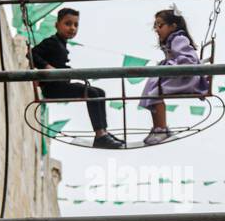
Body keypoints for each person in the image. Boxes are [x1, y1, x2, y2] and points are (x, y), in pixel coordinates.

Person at [31, 8, 125, 149]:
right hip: (53, 88)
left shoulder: (61, 43)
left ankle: (103, 132)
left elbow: (59, 64)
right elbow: (32, 54)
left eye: (76, 25)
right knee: (93, 93)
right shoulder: (52, 41)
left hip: (60, 85)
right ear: (57, 25)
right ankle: (100, 135)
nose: (72, 28)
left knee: (100, 92)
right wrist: (47, 66)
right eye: (68, 24)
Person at [139, 9, 210, 146]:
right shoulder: (171, 41)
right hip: (179, 76)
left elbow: (189, 60)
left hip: (186, 78)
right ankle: (158, 127)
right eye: (155, 26)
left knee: (155, 92)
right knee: (152, 88)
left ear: (173, 26)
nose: (157, 29)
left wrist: (169, 65)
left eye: (160, 25)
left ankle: (162, 129)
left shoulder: (179, 39)